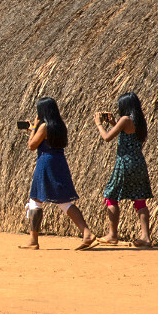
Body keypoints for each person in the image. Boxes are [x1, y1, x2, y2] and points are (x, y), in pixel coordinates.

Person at [22, 97, 99, 250]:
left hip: (46, 163)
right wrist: (35, 129)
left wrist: (33, 128)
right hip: (59, 162)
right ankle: (86, 233)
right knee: (63, 200)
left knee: (36, 199)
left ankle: (33, 241)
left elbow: (31, 145)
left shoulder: (43, 126)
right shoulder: (60, 126)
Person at [93, 92, 154, 247]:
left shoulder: (125, 119)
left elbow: (107, 137)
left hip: (125, 164)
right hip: (139, 163)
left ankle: (112, 235)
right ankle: (145, 237)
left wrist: (99, 124)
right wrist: (114, 123)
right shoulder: (139, 120)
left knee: (111, 196)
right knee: (140, 200)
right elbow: (127, 133)